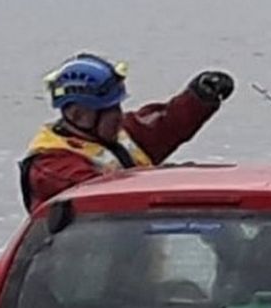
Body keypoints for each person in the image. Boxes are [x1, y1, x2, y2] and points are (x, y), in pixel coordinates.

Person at [19, 52, 234, 212]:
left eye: (118, 107)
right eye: (109, 110)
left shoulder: (118, 135)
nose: (118, 116)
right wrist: (171, 178)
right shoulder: (53, 166)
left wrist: (199, 98)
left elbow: (164, 126)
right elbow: (110, 197)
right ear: (78, 115)